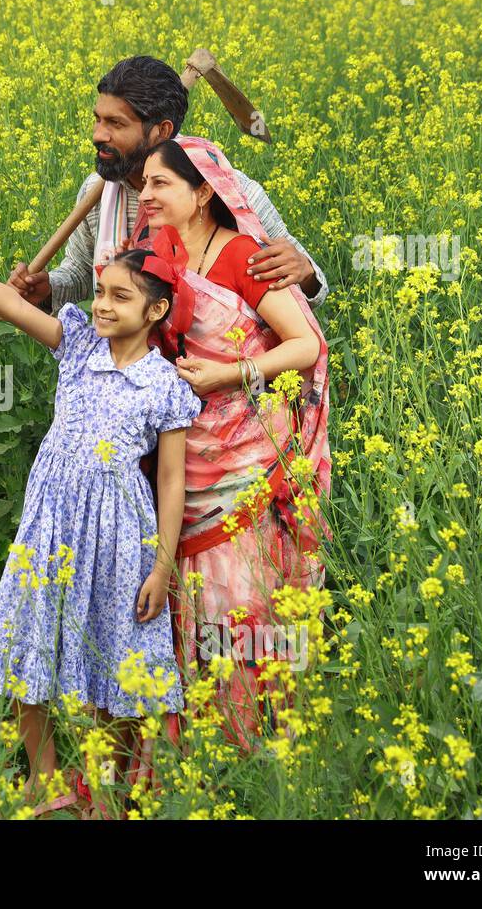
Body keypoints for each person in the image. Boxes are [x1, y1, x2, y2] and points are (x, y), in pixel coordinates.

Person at [0, 237, 201, 818]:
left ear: (156, 311)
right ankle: (44, 777)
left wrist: (162, 564)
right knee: (25, 639)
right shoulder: (78, 345)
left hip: (120, 534)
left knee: (116, 657)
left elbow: (171, 483)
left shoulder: (167, 385)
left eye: (121, 297)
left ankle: (101, 785)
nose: (103, 305)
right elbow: (14, 306)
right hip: (51, 519)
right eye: (100, 293)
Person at [130, 135, 332, 760]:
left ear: (202, 193)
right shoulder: (151, 258)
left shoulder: (244, 255)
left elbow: (306, 345)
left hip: (246, 455)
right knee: (185, 600)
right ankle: (200, 752)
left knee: (238, 600)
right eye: (143, 185)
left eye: (159, 184)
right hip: (175, 453)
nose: (145, 195)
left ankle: (259, 746)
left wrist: (231, 376)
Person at [8, 55, 329, 316]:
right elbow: (81, 274)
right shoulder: (98, 192)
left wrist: (305, 274)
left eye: (116, 124)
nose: (98, 135)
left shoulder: (229, 191)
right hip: (126, 375)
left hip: (213, 379)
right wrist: (48, 289)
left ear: (162, 131)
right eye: (98, 119)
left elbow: (313, 289)